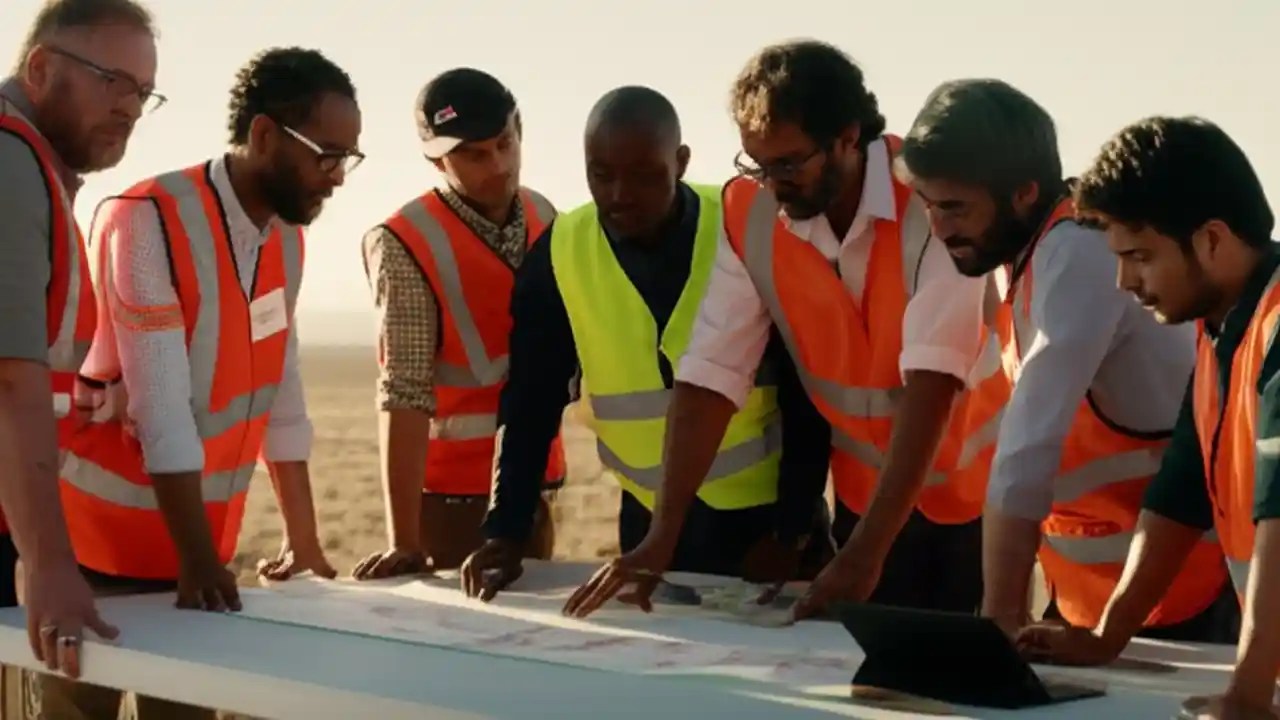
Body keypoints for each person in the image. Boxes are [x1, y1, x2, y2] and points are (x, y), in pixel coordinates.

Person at [563, 42, 1001, 620]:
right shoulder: (750, 211)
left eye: (789, 164)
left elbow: (932, 383)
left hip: (968, 504)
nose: (772, 183)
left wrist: (866, 554)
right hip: (863, 496)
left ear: (849, 137)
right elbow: (711, 373)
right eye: (757, 164)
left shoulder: (934, 201)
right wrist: (661, 537)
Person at [40, 46, 360, 719]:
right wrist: (197, 561)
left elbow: (284, 389)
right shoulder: (146, 219)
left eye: (347, 159)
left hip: (197, 553)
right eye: (326, 155)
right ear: (266, 135)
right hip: (102, 555)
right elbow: (161, 408)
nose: (336, 177)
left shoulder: (287, 241)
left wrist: (303, 542)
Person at [463, 85, 832, 604]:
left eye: (642, 175)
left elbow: (806, 389)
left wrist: (792, 529)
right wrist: (504, 531)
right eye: (601, 174)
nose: (619, 194)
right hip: (646, 520)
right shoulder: (561, 253)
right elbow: (528, 403)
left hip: (768, 525)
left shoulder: (745, 225)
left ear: (680, 162)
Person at [896, 79, 1235, 643]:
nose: (938, 227)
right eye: (927, 205)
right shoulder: (1027, 256)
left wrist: (999, 620)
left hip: (1182, 603)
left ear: (1025, 193)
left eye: (955, 206)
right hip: (1095, 605)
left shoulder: (1079, 255)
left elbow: (1027, 446)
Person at [1018, 117, 1276, 720]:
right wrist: (1107, 635)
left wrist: (1249, 694)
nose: (1124, 281)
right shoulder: (1222, 332)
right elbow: (1178, 493)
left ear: (1211, 239)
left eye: (1139, 256)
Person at [0, 0, 156, 692]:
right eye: (111, 81)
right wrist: (50, 562)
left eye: (143, 93)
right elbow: (8, 379)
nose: (128, 106)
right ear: (40, 68)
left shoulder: (32, 169)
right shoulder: (10, 165)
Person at [353, 68, 564, 579]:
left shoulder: (546, 215)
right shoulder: (405, 241)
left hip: (532, 491)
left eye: (505, 143)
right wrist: (403, 541)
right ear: (436, 156)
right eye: (473, 153)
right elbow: (403, 391)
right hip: (450, 506)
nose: (497, 164)